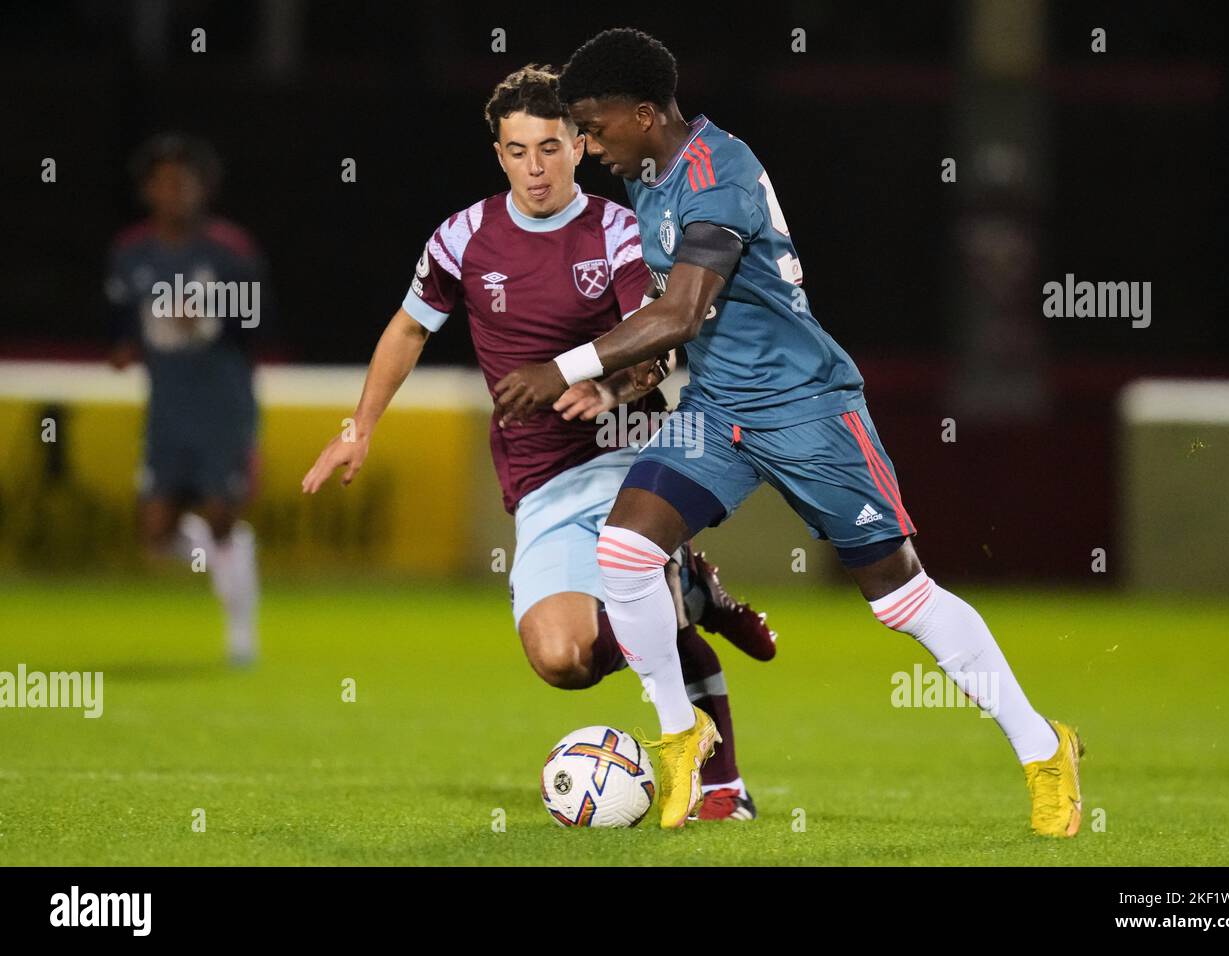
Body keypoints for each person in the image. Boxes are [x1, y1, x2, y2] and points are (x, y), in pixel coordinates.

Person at [492, 30, 1084, 833]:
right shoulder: (650, 178)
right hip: (717, 410)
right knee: (626, 551)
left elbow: (682, 311)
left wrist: (560, 369)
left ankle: (1043, 746)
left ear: (642, 112)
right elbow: (677, 332)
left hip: (806, 406)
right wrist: (618, 379)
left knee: (902, 596)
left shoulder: (716, 170)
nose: (586, 147)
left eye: (593, 127)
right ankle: (679, 739)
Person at [302, 66, 776, 821]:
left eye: (551, 147)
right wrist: (360, 426)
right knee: (564, 661)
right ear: (498, 154)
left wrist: (609, 388)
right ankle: (687, 592)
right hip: (543, 480)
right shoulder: (462, 238)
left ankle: (723, 785)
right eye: (518, 150)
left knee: (645, 610)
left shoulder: (621, 231)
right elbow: (406, 329)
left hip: (634, 457)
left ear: (581, 146)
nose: (536, 167)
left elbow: (656, 347)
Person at [106, 133, 265, 667]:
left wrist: (209, 321)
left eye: (184, 181)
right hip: (167, 407)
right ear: (147, 190)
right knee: (155, 532)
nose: (174, 192)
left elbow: (256, 326)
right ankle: (227, 560)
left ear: (204, 189)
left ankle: (240, 632)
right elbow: (124, 325)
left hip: (221, 404)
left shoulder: (229, 252)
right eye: (163, 182)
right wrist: (127, 348)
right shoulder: (131, 254)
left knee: (222, 513)